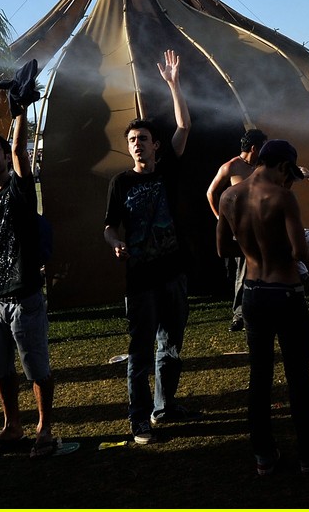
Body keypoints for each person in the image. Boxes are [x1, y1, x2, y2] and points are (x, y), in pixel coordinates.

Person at [216, 140, 309, 476]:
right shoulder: (282, 197)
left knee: (260, 375)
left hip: (253, 292)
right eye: (289, 175)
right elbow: (299, 251)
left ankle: (264, 455)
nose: (288, 182)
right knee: (297, 375)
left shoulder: (230, 196)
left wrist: (253, 250)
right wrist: (280, 246)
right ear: (283, 167)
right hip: (285, 292)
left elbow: (223, 248)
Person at [103, 49, 194, 445]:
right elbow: (109, 227)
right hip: (140, 279)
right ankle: (139, 419)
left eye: (143, 139)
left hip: (172, 274)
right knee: (140, 351)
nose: (137, 144)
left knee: (171, 345)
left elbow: (184, 125)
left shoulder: (168, 168)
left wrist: (174, 84)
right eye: (132, 140)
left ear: (156, 146)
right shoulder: (120, 183)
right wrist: (115, 242)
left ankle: (164, 406)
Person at [0, 95, 56, 458]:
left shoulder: (19, 191)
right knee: (0, 370)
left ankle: (44, 429)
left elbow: (20, 149)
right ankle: (12, 426)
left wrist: (18, 113)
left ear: (6, 158)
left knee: (36, 367)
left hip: (24, 296)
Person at [206, 128, 267, 332]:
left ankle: (262, 308)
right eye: (263, 146)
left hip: (261, 224)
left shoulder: (262, 165)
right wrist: (220, 217)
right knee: (243, 269)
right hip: (240, 228)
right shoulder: (231, 166)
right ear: (254, 148)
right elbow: (211, 192)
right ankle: (239, 314)